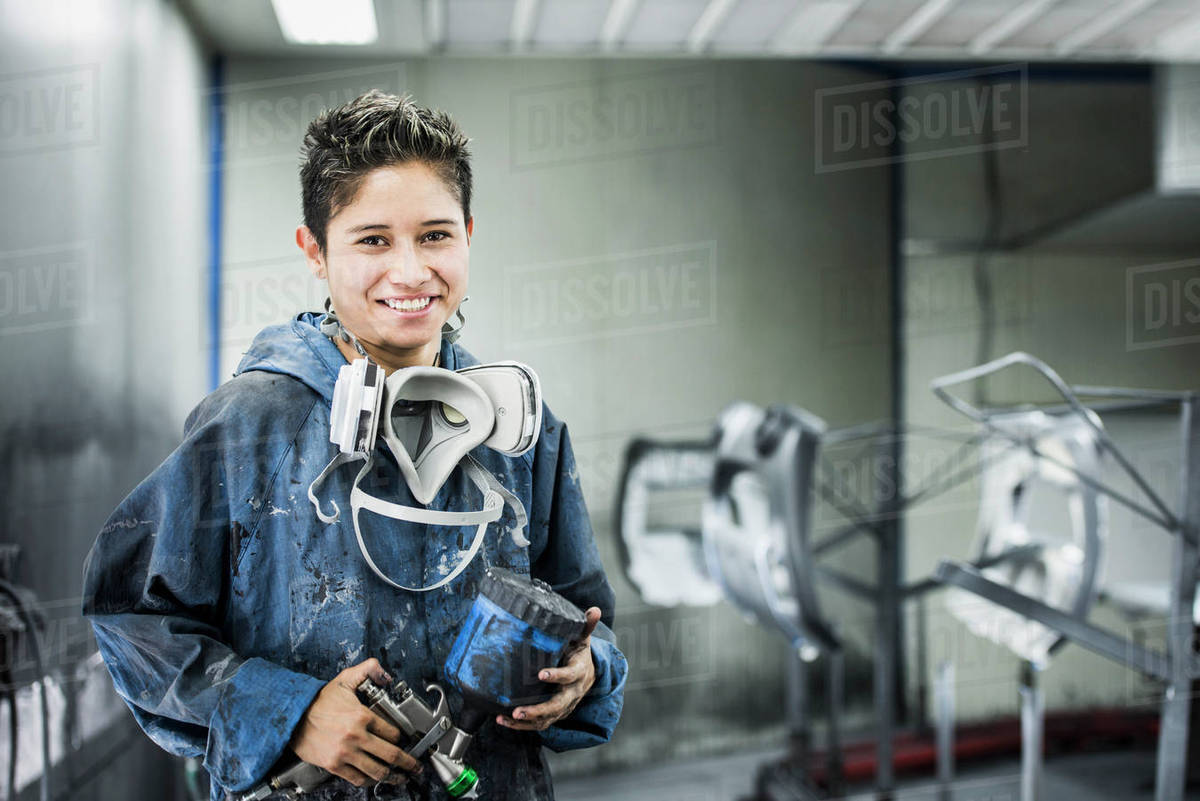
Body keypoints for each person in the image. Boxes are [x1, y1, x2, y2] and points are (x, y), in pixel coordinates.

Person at [81, 90, 627, 801]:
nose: (409, 271)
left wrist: (586, 674)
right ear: (314, 250)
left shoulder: (520, 429)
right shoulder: (250, 424)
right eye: (373, 240)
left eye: (435, 235)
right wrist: (290, 713)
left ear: (468, 233)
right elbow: (132, 619)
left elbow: (589, 621)